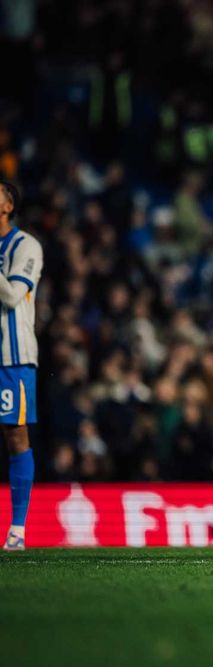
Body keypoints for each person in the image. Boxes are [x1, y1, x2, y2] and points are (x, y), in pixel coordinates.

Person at [0, 178, 43, 551]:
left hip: (11, 358)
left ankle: (18, 530)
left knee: (15, 437)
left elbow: (13, 296)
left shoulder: (25, 245)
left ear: (8, 204)